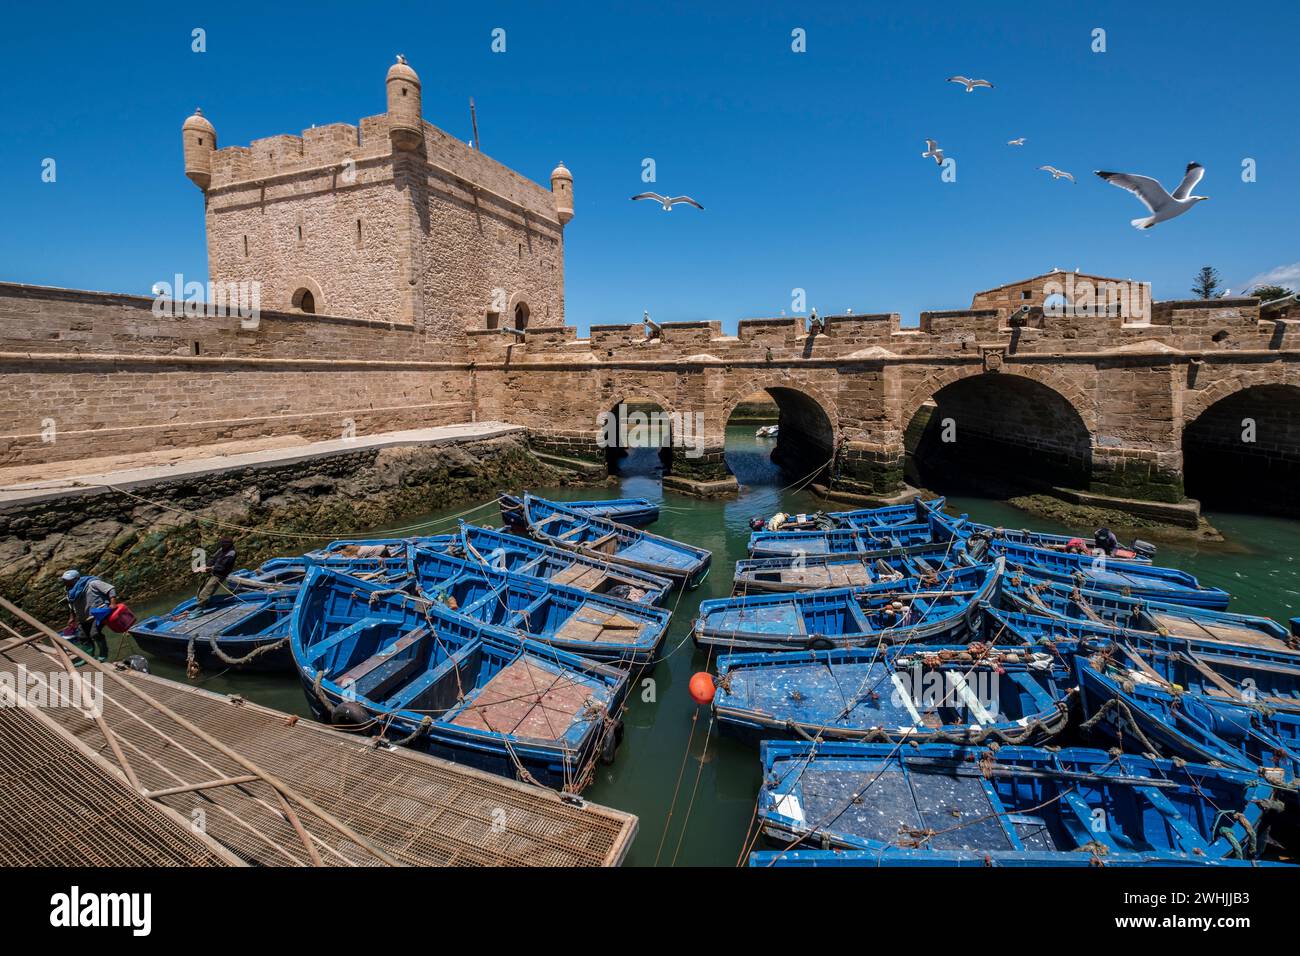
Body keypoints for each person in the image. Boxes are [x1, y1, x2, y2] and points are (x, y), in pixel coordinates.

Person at [62, 569, 117, 662]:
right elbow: (71, 605)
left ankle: (103, 653)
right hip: (83, 617)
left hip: (98, 613)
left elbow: (110, 589)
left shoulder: (92, 583)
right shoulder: (70, 591)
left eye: (68, 580)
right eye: (64, 580)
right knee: (82, 637)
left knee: (94, 634)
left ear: (76, 579)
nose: (65, 582)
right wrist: (72, 617)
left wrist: (113, 603)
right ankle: (88, 657)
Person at [195, 537, 237, 609]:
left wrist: (211, 568)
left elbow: (222, 566)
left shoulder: (231, 553)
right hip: (212, 572)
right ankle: (204, 602)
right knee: (201, 589)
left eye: (223, 544)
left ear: (228, 545)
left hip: (219, 575)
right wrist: (205, 566)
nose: (221, 546)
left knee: (206, 591)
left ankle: (200, 608)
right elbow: (213, 558)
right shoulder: (221, 549)